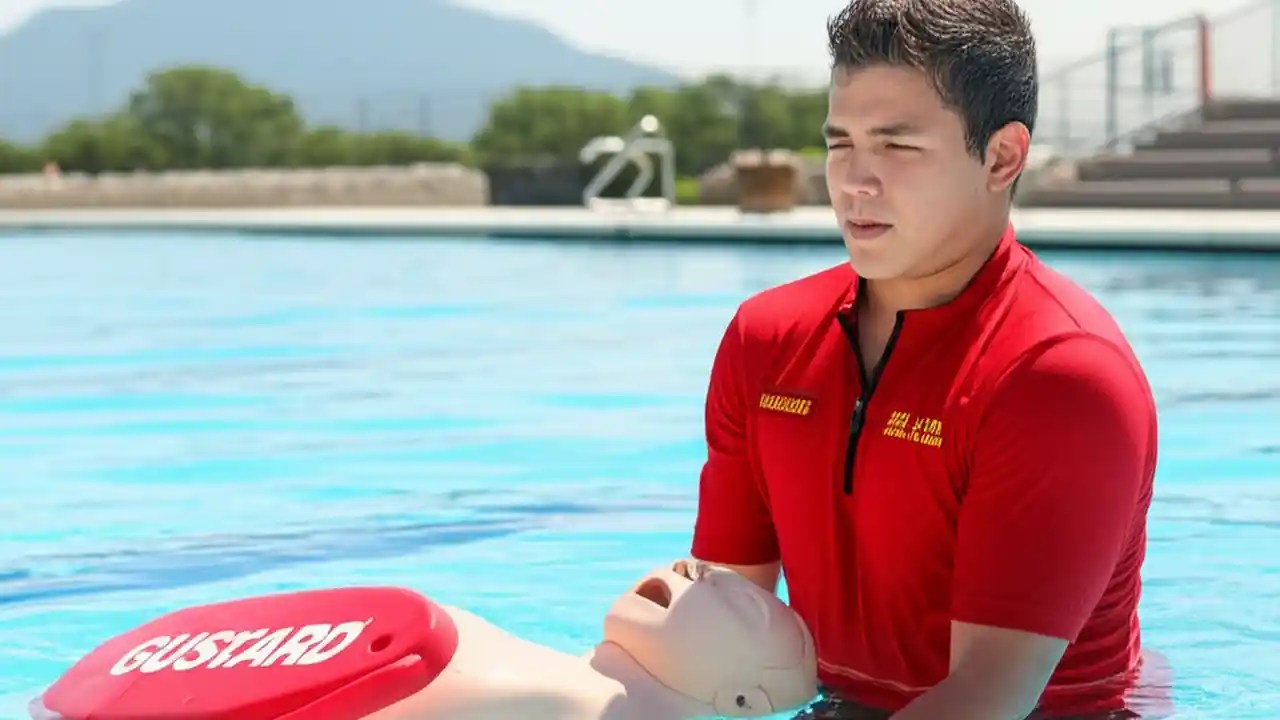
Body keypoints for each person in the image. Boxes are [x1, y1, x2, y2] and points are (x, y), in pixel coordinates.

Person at [688, 1, 1160, 719]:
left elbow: (986, 700)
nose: (854, 182)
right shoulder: (768, 340)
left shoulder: (1059, 378)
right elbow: (723, 631)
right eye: (840, 143)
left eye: (896, 147)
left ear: (1002, 157)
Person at [32, 563, 819, 720]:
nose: (695, 568)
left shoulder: (579, 703)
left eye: (742, 607)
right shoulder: (570, 688)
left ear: (743, 699)